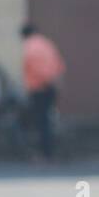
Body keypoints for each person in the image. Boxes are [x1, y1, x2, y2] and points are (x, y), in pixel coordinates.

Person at [20, 24, 65, 159]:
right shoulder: (46, 43)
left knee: (41, 123)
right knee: (47, 121)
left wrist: (42, 81)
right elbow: (59, 65)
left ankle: (45, 153)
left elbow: (33, 67)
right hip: (51, 87)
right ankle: (50, 151)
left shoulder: (29, 46)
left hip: (39, 88)